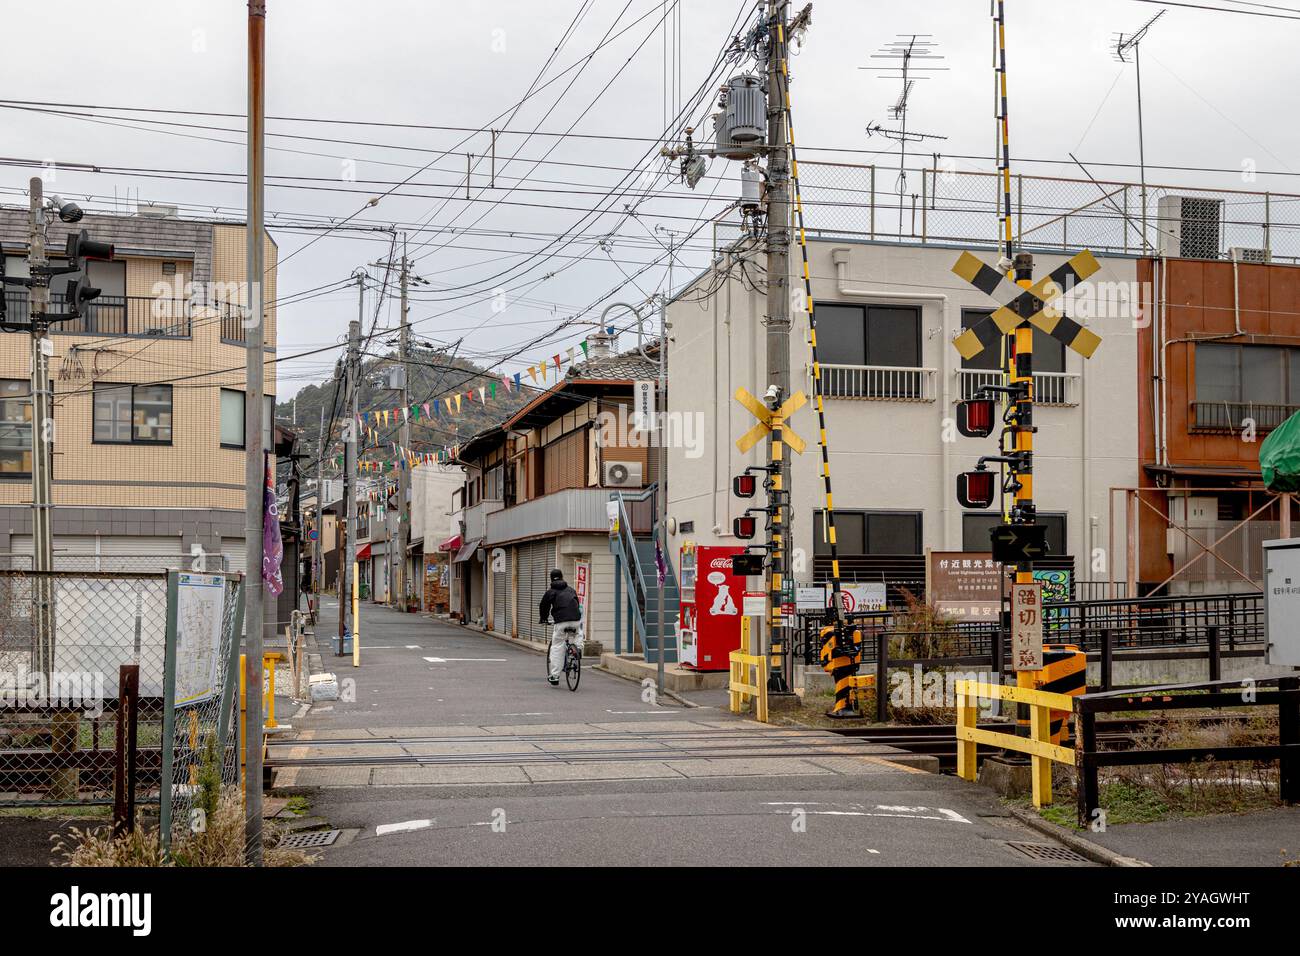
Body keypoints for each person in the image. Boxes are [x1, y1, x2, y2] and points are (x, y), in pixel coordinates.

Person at [539, 568, 583, 685]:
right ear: (562, 577)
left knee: (557, 646)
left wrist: (543, 619)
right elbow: (577, 604)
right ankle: (577, 649)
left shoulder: (550, 592)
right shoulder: (571, 590)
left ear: (551, 578)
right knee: (578, 632)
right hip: (575, 620)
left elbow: (544, 606)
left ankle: (554, 676)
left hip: (561, 622)